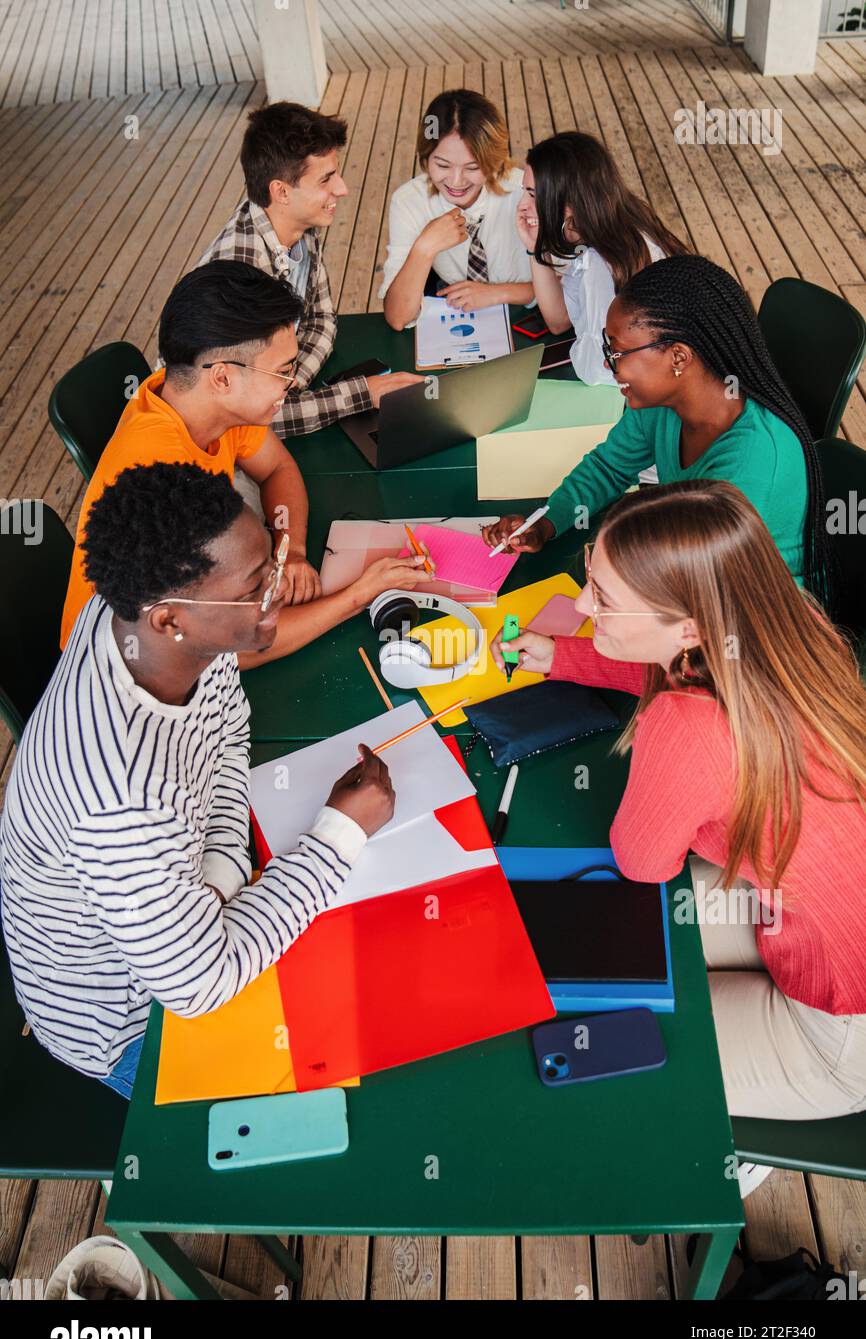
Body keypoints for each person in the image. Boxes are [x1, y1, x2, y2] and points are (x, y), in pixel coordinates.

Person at [0, 464, 406, 1099]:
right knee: (370, 1080)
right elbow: (199, 987)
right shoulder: (119, 800)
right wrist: (339, 835)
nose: (279, 590)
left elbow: (227, 731)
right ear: (169, 619)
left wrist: (221, 873)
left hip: (180, 918)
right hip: (133, 1025)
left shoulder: (159, 634)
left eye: (268, 565)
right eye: (255, 586)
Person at [490, 480, 866, 1126]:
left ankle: (737, 1162)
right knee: (613, 954)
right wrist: (562, 655)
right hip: (804, 923)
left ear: (689, 625)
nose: (582, 604)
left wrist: (670, 771)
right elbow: (667, 657)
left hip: (841, 1032)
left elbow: (642, 864)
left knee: (623, 1042)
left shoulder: (685, 726)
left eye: (603, 600)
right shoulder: (783, 618)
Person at [60, 262, 427, 666]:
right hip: (124, 675)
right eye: (283, 373)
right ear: (222, 378)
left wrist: (292, 550)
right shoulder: (163, 478)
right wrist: (358, 595)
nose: (290, 387)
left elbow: (277, 469)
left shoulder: (200, 403)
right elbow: (232, 648)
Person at [482, 255, 827, 600]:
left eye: (616, 353)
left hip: (759, 617)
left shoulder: (753, 464)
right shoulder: (663, 401)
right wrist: (546, 522)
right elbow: (609, 467)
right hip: (692, 582)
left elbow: (702, 590)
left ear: (678, 357)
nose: (606, 362)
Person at [200, 101, 420, 436]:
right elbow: (253, 419)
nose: (342, 189)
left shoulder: (297, 224)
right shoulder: (239, 275)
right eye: (326, 180)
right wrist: (364, 393)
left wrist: (288, 384)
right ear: (282, 191)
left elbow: (322, 319)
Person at [516, 131, 689, 385]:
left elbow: (595, 371)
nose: (522, 205)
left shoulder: (599, 264)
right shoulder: (618, 221)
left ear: (570, 202)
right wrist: (536, 247)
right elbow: (558, 321)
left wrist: (582, 348)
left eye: (532, 195)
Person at [381, 89, 533, 330]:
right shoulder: (409, 201)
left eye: (472, 167)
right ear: (425, 158)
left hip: (531, 316)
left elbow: (566, 286)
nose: (456, 181)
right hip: (459, 318)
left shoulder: (525, 193)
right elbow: (399, 317)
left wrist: (497, 293)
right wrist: (424, 248)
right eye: (442, 165)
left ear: (494, 161)